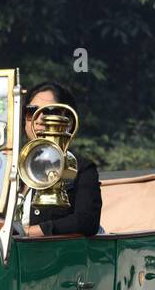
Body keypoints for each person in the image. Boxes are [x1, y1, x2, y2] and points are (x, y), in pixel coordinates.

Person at [20, 81, 102, 237]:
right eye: (31, 112)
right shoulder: (8, 165)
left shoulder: (82, 168)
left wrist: (32, 232)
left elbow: (87, 221)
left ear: (68, 121)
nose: (39, 119)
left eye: (49, 111)